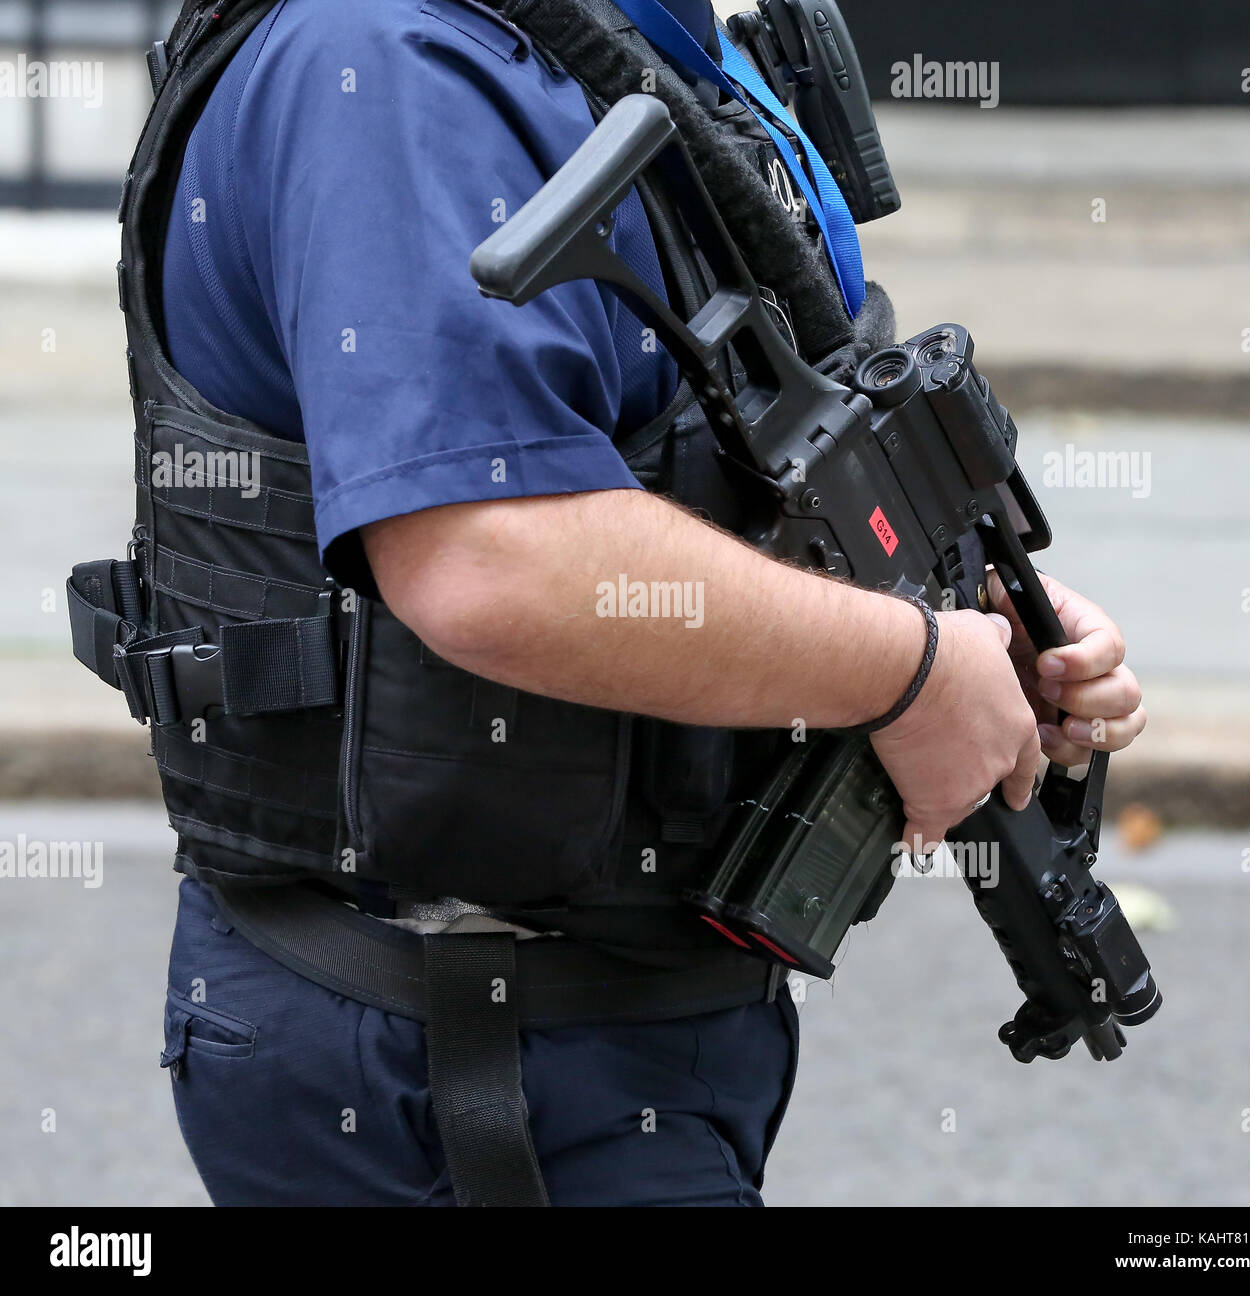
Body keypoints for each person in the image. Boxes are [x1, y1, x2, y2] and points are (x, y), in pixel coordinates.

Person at [121, 0, 1144, 1206]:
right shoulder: (388, 57)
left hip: (596, 1034)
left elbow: (738, 449)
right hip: (468, 1048)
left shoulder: (641, 31)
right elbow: (488, 559)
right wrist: (907, 670)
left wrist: (960, 617)